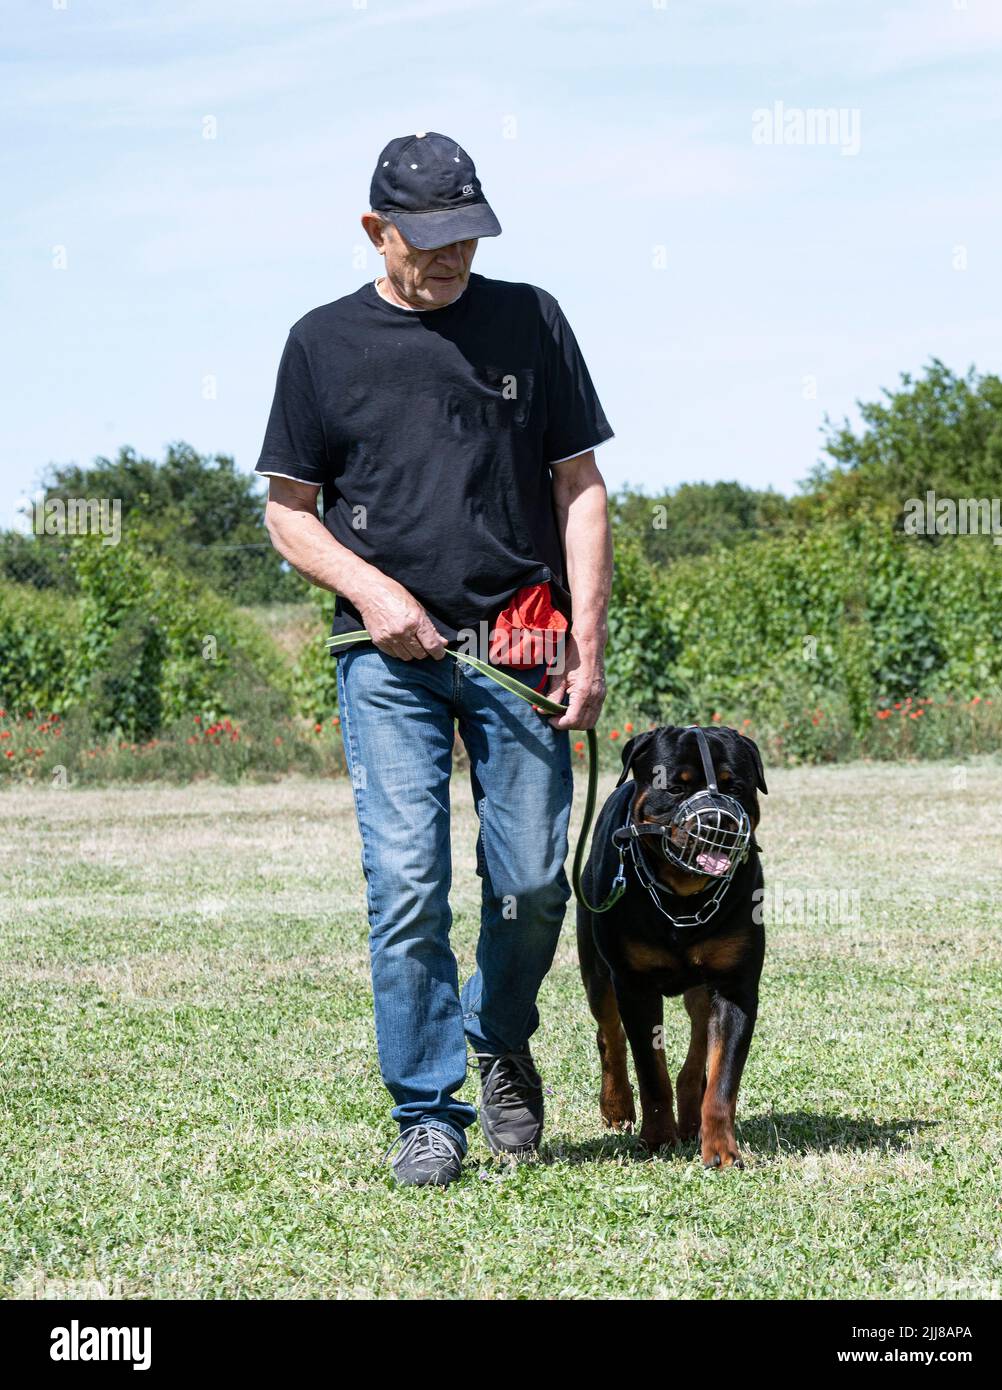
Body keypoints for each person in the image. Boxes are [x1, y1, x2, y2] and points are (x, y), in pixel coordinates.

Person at [257, 132, 614, 1186]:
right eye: (430, 240)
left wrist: (585, 648)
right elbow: (288, 513)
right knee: (407, 883)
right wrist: (373, 591)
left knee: (533, 883)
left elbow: (579, 486)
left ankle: (497, 1034)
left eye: (468, 235)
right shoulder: (322, 343)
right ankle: (427, 1112)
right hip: (385, 654)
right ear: (376, 230)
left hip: (525, 640)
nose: (452, 257)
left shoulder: (530, 318)